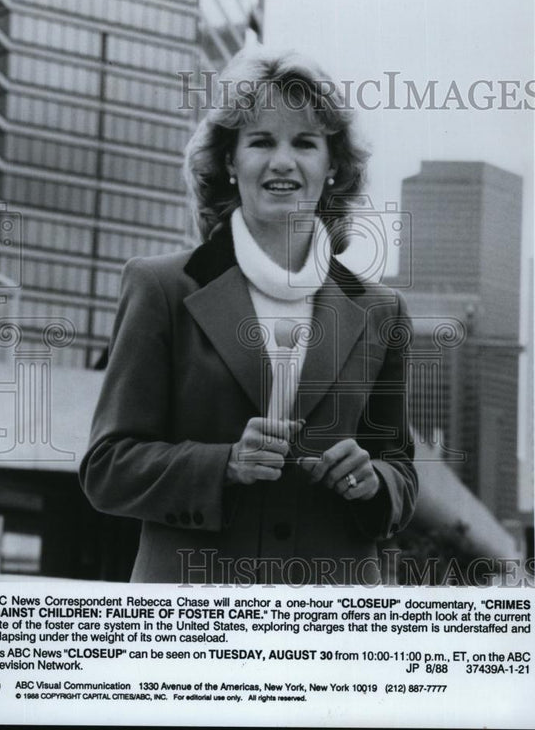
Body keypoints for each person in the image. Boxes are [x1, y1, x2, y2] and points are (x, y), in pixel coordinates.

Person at [79, 48, 418, 585]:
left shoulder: (381, 311)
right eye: (261, 141)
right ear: (230, 163)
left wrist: (375, 480)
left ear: (332, 167)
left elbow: (401, 472)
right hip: (191, 618)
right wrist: (225, 464)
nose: (283, 161)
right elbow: (107, 468)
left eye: (304, 143)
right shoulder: (159, 288)